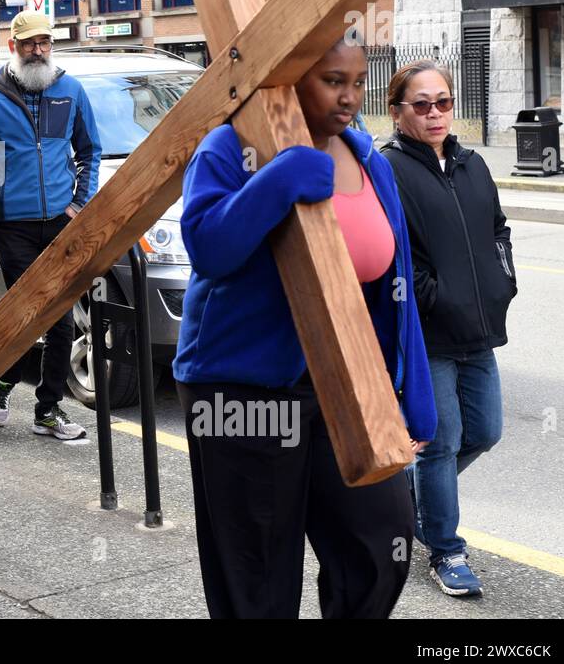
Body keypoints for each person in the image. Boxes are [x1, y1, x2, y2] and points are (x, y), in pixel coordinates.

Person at [172, 36, 437, 619]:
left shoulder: (366, 157)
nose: (350, 96)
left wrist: (409, 394)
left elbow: (396, 289)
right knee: (259, 571)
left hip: (345, 382)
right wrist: (279, 179)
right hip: (243, 390)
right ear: (291, 80)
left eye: (358, 81)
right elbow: (211, 249)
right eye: (332, 81)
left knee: (379, 543)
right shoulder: (230, 148)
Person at [381, 60, 513, 599]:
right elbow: (392, 252)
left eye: (444, 102)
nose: (435, 113)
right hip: (428, 333)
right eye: (422, 104)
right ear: (398, 112)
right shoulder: (386, 168)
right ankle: (444, 549)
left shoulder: (471, 163)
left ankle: (410, 498)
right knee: (439, 442)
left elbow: (497, 228)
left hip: (479, 330)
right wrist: (436, 297)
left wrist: (504, 279)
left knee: (485, 432)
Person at [0, 10, 101, 440]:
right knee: (28, 317)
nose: (37, 50)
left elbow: (89, 152)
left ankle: (47, 408)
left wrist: (80, 203)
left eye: (43, 43)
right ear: (13, 47)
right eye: (28, 44)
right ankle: (5, 386)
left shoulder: (70, 89)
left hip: (60, 223)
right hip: (12, 224)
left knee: (58, 319)